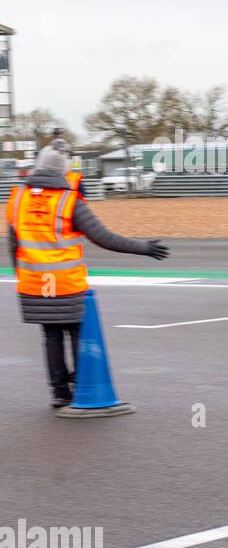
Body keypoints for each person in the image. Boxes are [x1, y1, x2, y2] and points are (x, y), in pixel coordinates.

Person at [6, 141, 170, 407]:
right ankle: (82, 384)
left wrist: (23, 276)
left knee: (50, 335)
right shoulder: (68, 201)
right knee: (78, 332)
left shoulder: (17, 200)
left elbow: (13, 245)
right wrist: (144, 248)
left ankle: (59, 392)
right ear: (63, 171)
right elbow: (103, 237)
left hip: (34, 283)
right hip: (66, 283)